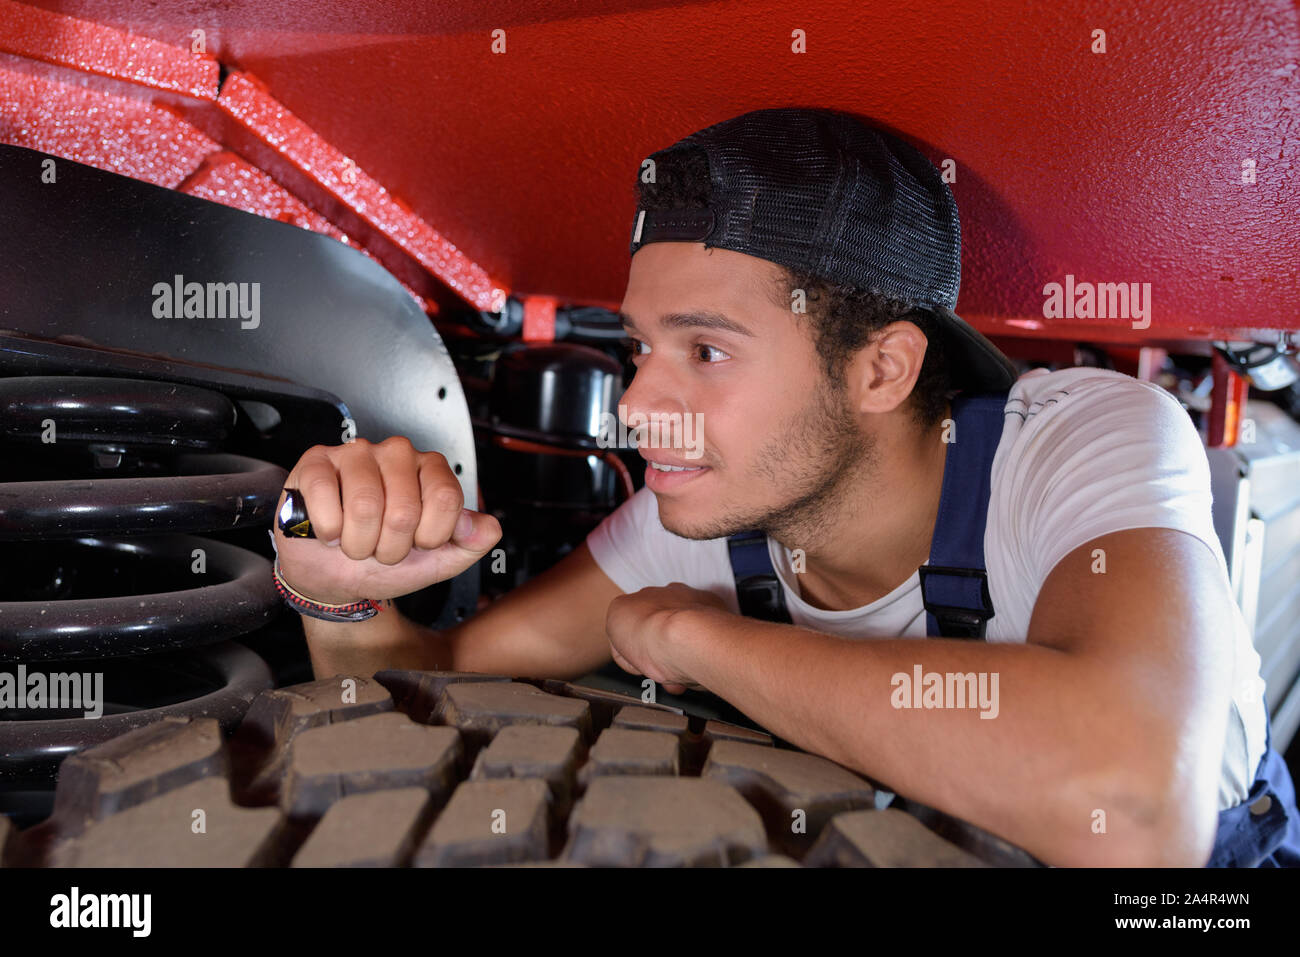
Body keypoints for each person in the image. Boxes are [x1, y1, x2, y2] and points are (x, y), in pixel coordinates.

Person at [271, 107, 1299, 867]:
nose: (636, 406)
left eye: (706, 352)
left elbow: (1127, 811)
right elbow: (431, 679)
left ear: (881, 371)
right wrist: (339, 587)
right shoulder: (711, 511)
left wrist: (695, 638)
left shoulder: (1078, 442)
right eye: (640, 347)